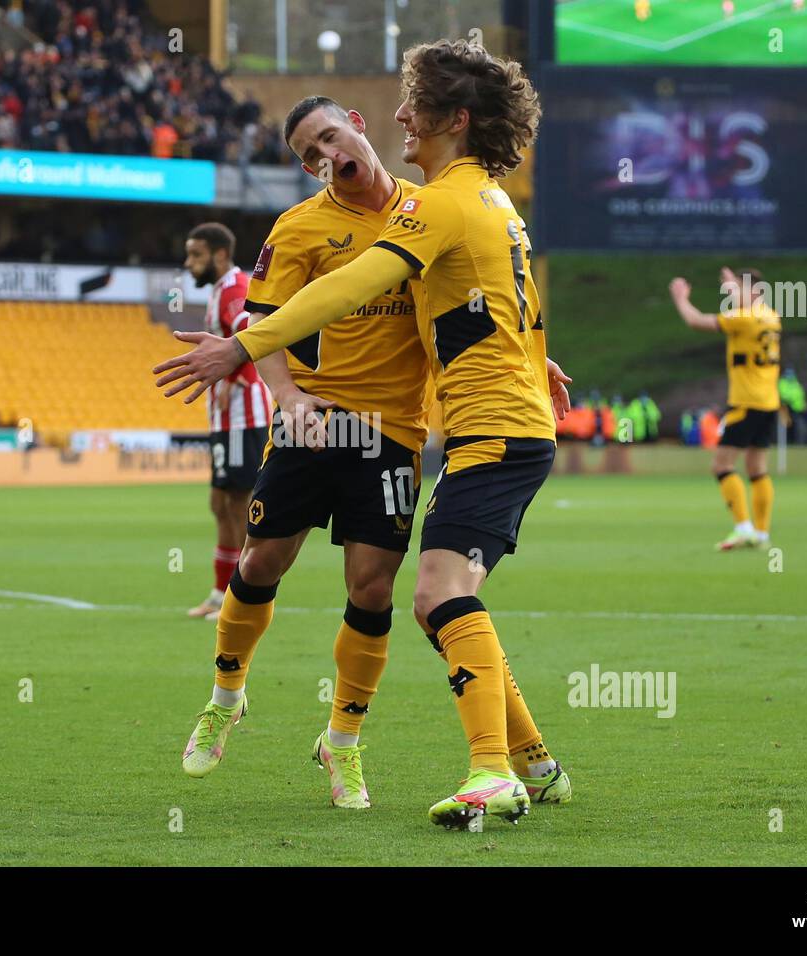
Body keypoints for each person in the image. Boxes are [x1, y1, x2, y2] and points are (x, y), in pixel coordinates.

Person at [157, 39, 575, 828]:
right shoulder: (485, 198)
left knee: (421, 594)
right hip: (340, 424)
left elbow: (359, 282)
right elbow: (496, 296)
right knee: (327, 574)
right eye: (308, 151)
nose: (399, 116)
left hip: (419, 429)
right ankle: (528, 761)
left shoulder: (430, 204)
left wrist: (236, 349)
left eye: (411, 106)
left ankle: (428, 757)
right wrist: (536, 357)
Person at [178, 98, 432, 809]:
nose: (326, 155)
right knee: (260, 561)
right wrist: (289, 399)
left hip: (393, 431)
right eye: (309, 155)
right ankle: (227, 696)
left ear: (357, 120)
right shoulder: (299, 228)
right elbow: (264, 326)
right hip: (313, 419)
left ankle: (342, 744)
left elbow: (477, 300)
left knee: (372, 588)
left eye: (330, 136)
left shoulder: (427, 213)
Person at [181, 223, 272, 621]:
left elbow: (251, 339)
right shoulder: (222, 290)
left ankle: (242, 595)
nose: (189, 263)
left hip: (243, 415)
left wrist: (230, 380)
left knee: (237, 504)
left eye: (196, 255)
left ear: (220, 254)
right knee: (221, 503)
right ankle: (220, 593)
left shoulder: (235, 288)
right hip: (226, 418)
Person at [669, 268, 780, 551]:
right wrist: (733, 284)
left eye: (739, 290)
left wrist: (681, 298)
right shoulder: (771, 316)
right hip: (769, 402)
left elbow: (695, 321)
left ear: (754, 292)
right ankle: (762, 534)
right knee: (757, 468)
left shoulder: (742, 319)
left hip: (746, 402)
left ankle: (743, 528)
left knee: (721, 465)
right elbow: (743, 301)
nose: (732, 296)